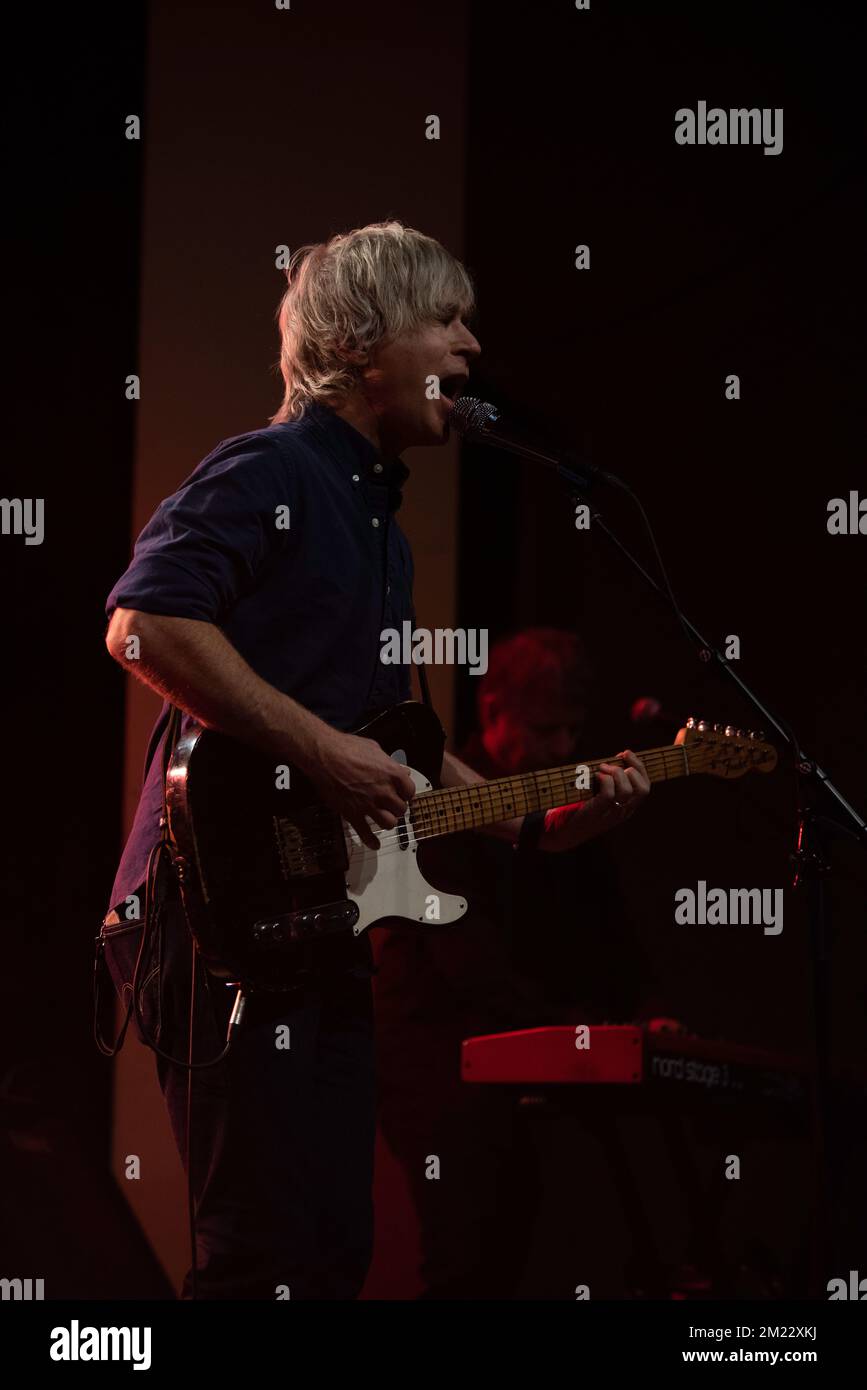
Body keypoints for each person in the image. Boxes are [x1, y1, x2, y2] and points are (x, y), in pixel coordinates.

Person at [98, 221, 650, 1300]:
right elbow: (144, 622)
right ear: (361, 341)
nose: (471, 343)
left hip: (309, 923)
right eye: (445, 318)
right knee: (263, 1260)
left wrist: (537, 815)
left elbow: (398, 752)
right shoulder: (272, 467)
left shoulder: (383, 533)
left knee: (329, 1255)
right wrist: (323, 749)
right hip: (214, 913)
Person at [375, 628, 667, 1299]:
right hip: (439, 1057)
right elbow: (465, 961)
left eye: (572, 731)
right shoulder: (441, 806)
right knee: (468, 1262)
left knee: (542, 1255)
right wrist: (575, 1032)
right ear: (491, 711)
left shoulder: (566, 795)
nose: (562, 749)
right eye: (543, 730)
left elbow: (610, 933)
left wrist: (650, 1014)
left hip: (531, 1043)